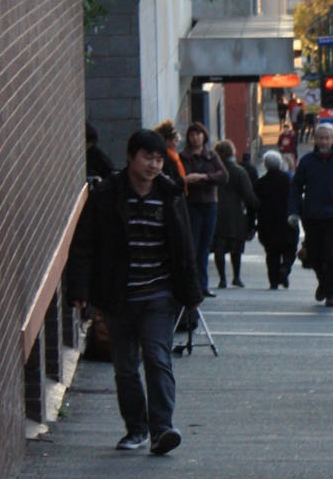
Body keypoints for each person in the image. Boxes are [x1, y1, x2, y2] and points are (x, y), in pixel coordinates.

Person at [69, 127, 199, 456]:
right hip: (119, 297)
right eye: (147, 158)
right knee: (125, 367)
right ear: (131, 157)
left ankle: (161, 429)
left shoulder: (170, 195)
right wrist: (81, 289)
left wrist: (190, 294)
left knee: (157, 358)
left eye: (158, 159)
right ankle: (136, 428)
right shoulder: (107, 195)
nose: (154, 165)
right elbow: (84, 243)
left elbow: (184, 247)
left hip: (159, 295)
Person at [292, 120, 333, 306]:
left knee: (331, 255)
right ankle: (323, 283)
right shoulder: (306, 162)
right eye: (320, 138)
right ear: (315, 140)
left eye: (327, 138)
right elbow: (296, 187)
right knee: (313, 255)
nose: (323, 142)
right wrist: (294, 212)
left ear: (332, 140)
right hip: (312, 215)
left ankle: (331, 293)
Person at [179, 120, 227, 294]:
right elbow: (181, 177)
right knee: (193, 245)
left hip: (209, 203)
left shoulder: (211, 156)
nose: (196, 138)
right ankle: (192, 285)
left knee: (205, 246)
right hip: (192, 203)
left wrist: (205, 177)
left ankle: (202, 285)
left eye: (198, 134)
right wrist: (192, 180)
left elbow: (223, 175)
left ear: (204, 136)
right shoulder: (183, 156)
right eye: (192, 135)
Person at [212, 138, 257, 287]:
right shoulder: (239, 171)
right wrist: (258, 207)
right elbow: (248, 195)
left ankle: (222, 279)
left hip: (217, 213)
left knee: (219, 248)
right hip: (236, 215)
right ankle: (236, 277)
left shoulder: (213, 171)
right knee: (236, 249)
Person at [255, 150, 298, 288]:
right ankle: (285, 268)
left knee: (271, 253)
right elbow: (297, 199)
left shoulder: (260, 183)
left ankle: (273, 281)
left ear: (265, 165)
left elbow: (254, 204)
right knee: (290, 249)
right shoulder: (289, 181)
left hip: (267, 223)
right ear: (280, 164)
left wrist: (251, 224)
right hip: (287, 222)